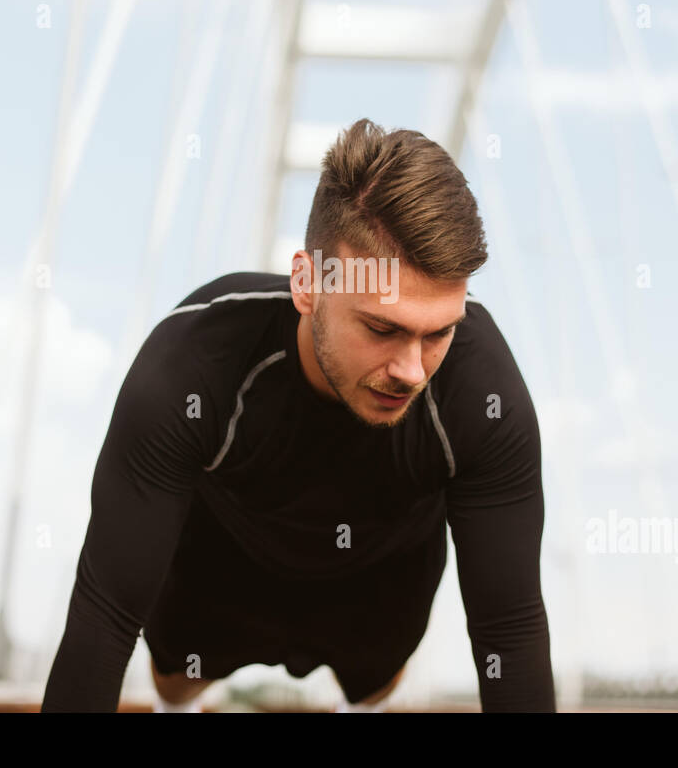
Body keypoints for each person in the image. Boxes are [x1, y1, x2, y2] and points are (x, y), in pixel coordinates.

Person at [41, 118, 554, 712]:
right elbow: (104, 617)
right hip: (223, 569)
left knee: (378, 684)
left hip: (378, 580)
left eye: (438, 332)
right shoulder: (192, 366)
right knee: (173, 683)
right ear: (307, 284)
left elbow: (509, 632)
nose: (413, 370)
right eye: (383, 328)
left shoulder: (484, 394)